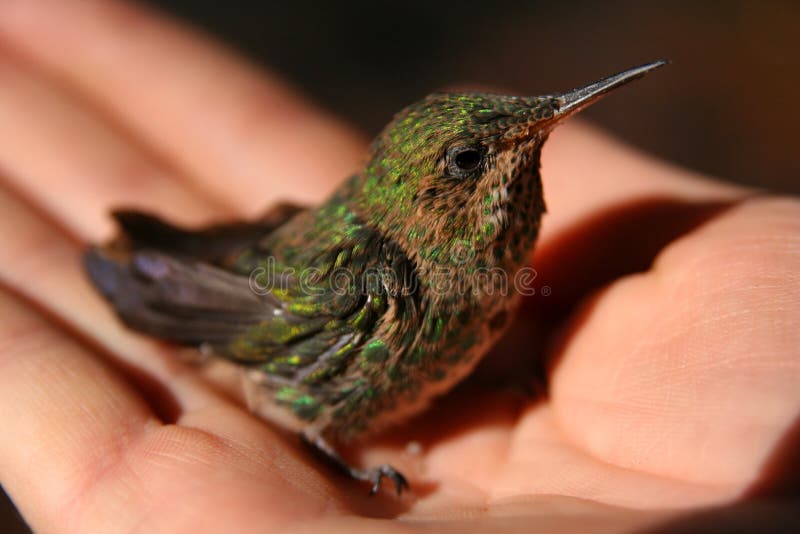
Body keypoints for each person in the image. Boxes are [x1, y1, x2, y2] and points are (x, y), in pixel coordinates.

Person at [0, 1, 797, 531]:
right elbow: (266, 317)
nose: (517, 148)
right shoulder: (374, 280)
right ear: (430, 191)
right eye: (470, 159)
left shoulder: (487, 246)